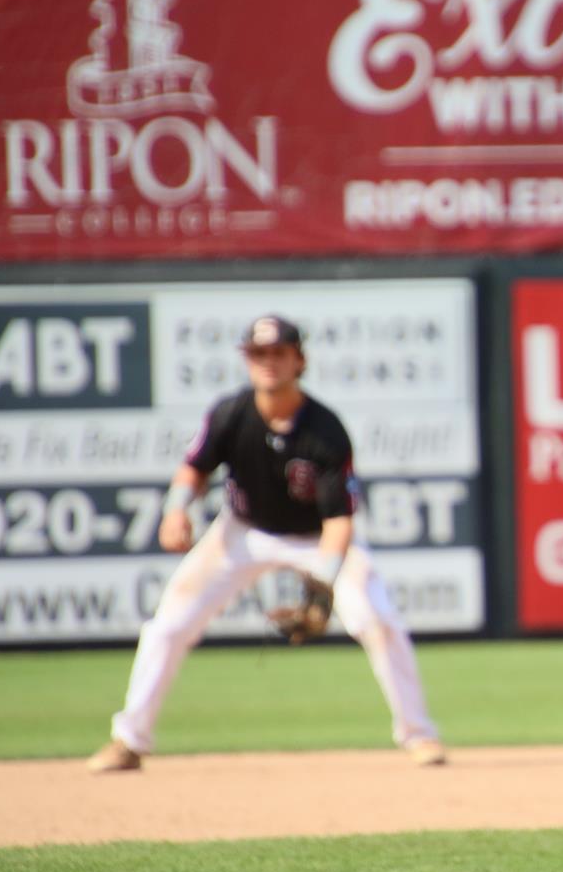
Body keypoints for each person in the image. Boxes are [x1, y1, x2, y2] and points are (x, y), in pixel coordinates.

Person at [86, 315, 447, 772]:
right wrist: (176, 509)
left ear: (299, 361)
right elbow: (194, 468)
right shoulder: (231, 413)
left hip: (316, 537)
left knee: (378, 620)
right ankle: (129, 741)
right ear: (247, 360)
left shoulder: (325, 430)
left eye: (279, 352)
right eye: (259, 353)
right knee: (169, 625)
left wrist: (323, 583)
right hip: (244, 532)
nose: (268, 362)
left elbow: (339, 520)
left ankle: (418, 735)